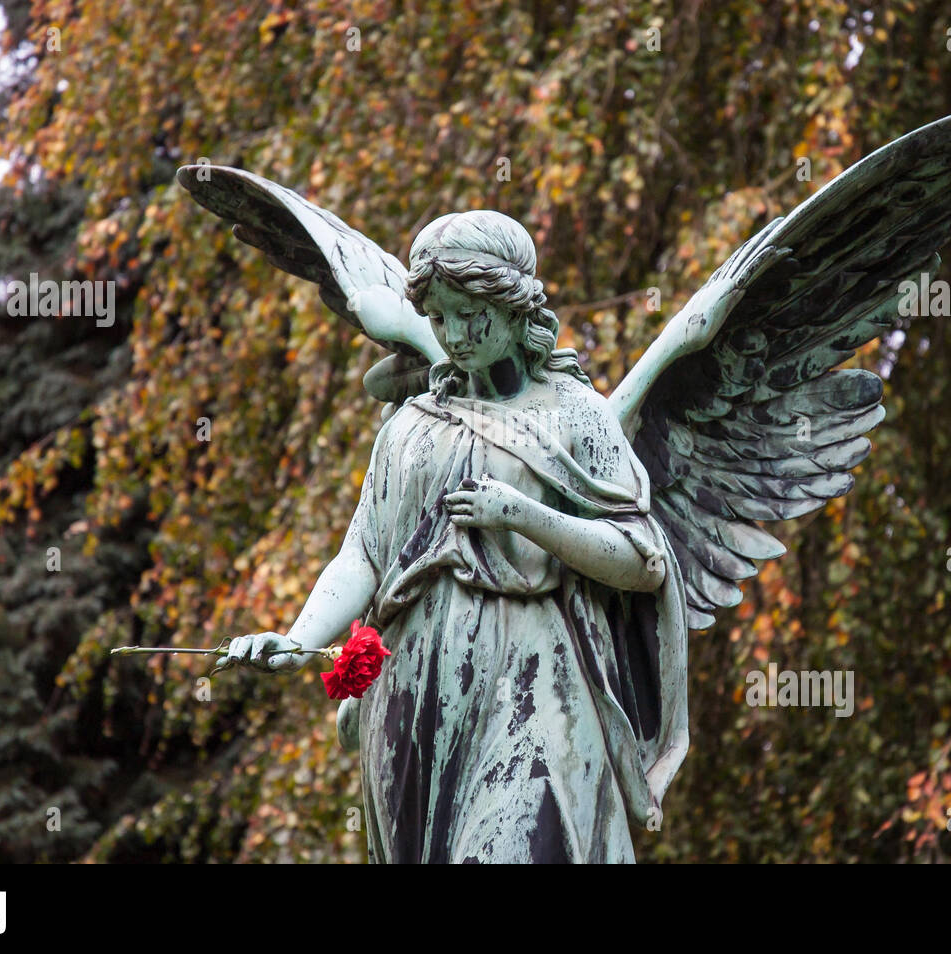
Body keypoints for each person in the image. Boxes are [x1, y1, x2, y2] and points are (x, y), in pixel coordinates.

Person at [218, 210, 689, 863]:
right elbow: (363, 554)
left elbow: (641, 561)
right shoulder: (410, 426)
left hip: (531, 683)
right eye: (440, 318)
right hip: (415, 690)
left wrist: (525, 516)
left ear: (516, 307)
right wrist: (300, 639)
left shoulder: (571, 411)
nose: (456, 335)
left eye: (474, 314)